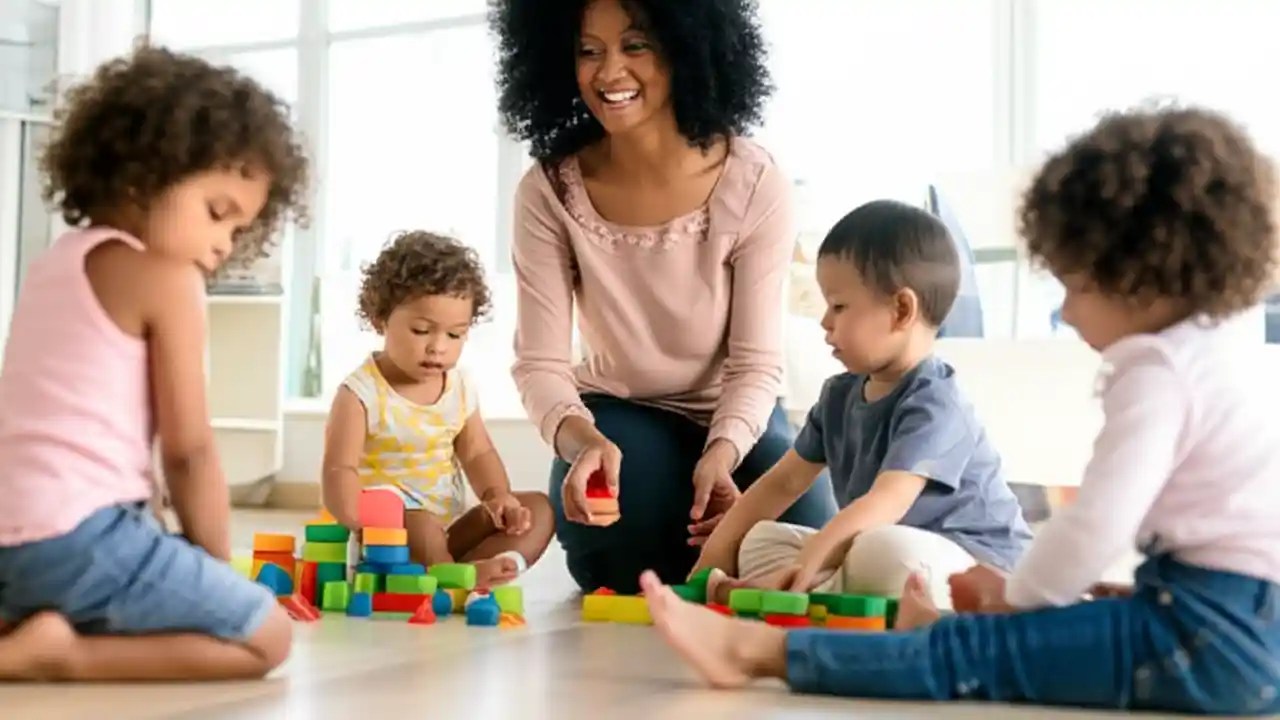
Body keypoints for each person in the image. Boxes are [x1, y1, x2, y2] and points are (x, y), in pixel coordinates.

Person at [640, 105, 1280, 716]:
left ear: (1146, 278)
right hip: (1231, 619)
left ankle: (759, 652)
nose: (1070, 311)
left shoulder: (1157, 374)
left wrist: (1016, 595)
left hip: (1216, 639)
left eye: (1077, 287)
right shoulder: (1212, 356)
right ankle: (906, 618)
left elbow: (1097, 524)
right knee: (1033, 617)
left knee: (976, 655)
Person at [491, 0, 836, 593]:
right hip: (620, 414)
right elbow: (541, 365)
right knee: (616, 538)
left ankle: (712, 558)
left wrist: (722, 453)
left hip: (735, 415)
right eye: (588, 50)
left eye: (635, 45)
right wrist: (583, 441)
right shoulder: (549, 190)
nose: (608, 73)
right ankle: (702, 563)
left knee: (805, 538)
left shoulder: (753, 182)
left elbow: (754, 365)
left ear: (685, 47)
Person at [0, 45, 309, 681]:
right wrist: (217, 579)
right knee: (268, 636)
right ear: (143, 175)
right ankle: (63, 655)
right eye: (218, 213)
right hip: (76, 539)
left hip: (12, 542)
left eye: (240, 229)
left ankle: (22, 624)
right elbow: (189, 452)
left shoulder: (55, 262)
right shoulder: (167, 279)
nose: (224, 244)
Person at [690, 200, 1031, 609]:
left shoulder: (936, 402)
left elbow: (886, 501)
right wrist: (716, 554)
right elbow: (782, 483)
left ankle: (792, 590)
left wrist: (811, 558)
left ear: (901, 310)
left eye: (839, 306)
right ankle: (811, 590)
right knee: (762, 538)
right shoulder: (839, 395)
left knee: (879, 551)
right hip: (878, 546)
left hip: (975, 566)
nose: (824, 322)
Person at [321, 231, 554, 587]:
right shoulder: (361, 393)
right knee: (421, 524)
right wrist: (359, 523)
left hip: (446, 532)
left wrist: (498, 497)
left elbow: (478, 452)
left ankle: (463, 572)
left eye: (454, 335)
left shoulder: (458, 388)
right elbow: (340, 468)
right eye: (421, 330)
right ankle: (451, 577)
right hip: (389, 539)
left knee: (538, 508)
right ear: (380, 319)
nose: (437, 348)